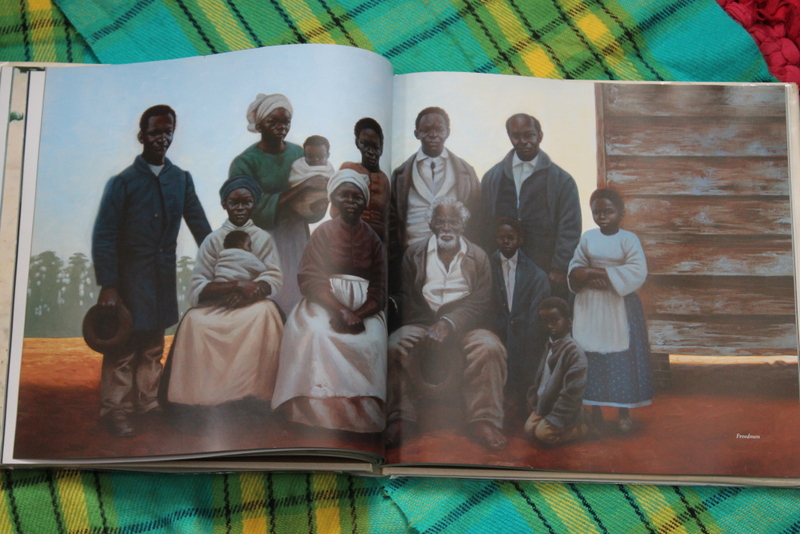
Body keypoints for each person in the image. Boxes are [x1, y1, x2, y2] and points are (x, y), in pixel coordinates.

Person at [92, 104, 212, 437]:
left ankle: (147, 404)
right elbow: (104, 235)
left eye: (168, 131)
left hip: (161, 278)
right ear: (141, 136)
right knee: (122, 346)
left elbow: (200, 226)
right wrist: (108, 284)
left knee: (152, 346)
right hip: (128, 280)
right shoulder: (123, 182)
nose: (163, 138)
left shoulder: (181, 179)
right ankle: (115, 410)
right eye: (155, 132)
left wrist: (221, 262)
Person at [271, 169, 387, 433]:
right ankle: (317, 415)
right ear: (333, 198)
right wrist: (340, 310)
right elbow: (311, 278)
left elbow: (380, 287)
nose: (351, 201)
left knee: (373, 339)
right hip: (325, 301)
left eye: (357, 197)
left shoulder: (373, 238)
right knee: (315, 333)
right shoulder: (322, 232)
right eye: (344, 195)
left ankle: (363, 417)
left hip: (364, 306)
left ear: (365, 201)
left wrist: (359, 313)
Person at [386, 197, 507, 450]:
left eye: (453, 222)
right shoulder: (414, 254)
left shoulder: (478, 257)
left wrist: (449, 323)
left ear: (463, 225)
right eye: (440, 222)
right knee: (395, 345)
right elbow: (407, 296)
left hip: (466, 326)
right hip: (422, 322)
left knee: (490, 348)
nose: (447, 228)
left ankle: (484, 420)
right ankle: (401, 417)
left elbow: (480, 302)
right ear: (430, 224)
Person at [163, 175, 284, 408]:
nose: (240, 208)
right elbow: (198, 284)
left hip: (251, 304)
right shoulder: (212, 240)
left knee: (267, 314)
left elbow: (272, 276)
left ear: (254, 204)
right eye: (234, 202)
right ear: (224, 204)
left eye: (246, 202)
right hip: (217, 304)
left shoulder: (263, 238)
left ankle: (256, 394)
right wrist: (235, 286)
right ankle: (202, 397)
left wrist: (246, 294)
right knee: (194, 321)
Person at [229, 93, 326, 314]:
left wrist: (318, 205)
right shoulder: (245, 162)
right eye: (273, 121)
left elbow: (312, 202)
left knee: (297, 296)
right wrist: (302, 187)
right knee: (269, 297)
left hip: (296, 236)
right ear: (259, 124)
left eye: (286, 122)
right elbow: (252, 209)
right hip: (262, 239)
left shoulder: (300, 154)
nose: (281, 127)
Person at [568, 188, 652, 434]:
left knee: (620, 359)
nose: (602, 216)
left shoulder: (628, 239)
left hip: (619, 304)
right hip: (592, 304)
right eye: (597, 212)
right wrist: (586, 276)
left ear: (621, 213)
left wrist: (598, 273)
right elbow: (576, 268)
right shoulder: (588, 238)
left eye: (608, 211)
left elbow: (636, 270)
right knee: (592, 356)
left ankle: (623, 413)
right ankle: (595, 411)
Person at [481, 113, 581, 299]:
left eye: (529, 135)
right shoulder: (492, 177)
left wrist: (560, 267)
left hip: (545, 269)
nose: (523, 141)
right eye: (516, 136)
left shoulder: (562, 180)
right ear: (509, 137)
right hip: (502, 269)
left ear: (540, 136)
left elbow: (570, 228)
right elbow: (483, 223)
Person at [389, 107, 482, 275]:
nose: (433, 134)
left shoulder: (466, 172)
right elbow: (393, 222)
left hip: (455, 259)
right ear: (417, 133)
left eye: (439, 129)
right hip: (411, 259)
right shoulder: (400, 175)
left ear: (447, 133)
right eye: (426, 130)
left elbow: (477, 217)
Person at [489, 217, 550, 413]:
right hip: (495, 331)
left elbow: (537, 319)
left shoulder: (536, 274)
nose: (506, 242)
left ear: (520, 240)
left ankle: (522, 401)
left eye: (511, 237)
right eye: (501, 237)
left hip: (524, 334)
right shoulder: (487, 266)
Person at [524, 297, 590, 446]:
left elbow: (572, 393)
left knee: (543, 435)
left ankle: (582, 427)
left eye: (554, 320)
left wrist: (556, 418)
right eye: (545, 321)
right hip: (546, 406)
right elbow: (540, 380)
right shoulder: (549, 345)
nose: (549, 325)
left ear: (569, 322)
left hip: (564, 410)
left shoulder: (574, 353)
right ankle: (550, 422)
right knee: (529, 430)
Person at [336, 118, 390, 242]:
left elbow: (387, 219)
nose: (370, 152)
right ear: (357, 143)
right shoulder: (348, 169)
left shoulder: (384, 180)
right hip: (349, 237)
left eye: (375, 147)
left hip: (377, 240)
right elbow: (335, 211)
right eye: (365, 145)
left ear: (381, 147)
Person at [287, 135, 335, 219]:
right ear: (304, 155)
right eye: (310, 156)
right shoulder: (298, 166)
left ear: (328, 155)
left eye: (321, 156)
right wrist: (308, 183)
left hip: (322, 202)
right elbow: (294, 182)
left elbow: (333, 184)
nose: (316, 159)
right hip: (301, 201)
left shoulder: (329, 169)